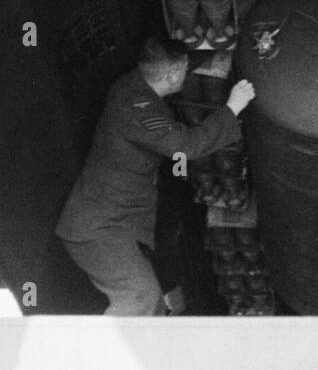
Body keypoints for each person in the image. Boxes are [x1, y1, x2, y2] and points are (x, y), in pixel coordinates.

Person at [57, 36, 255, 315]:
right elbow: (187, 146)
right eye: (184, 70)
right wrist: (233, 107)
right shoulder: (137, 111)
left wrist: (226, 48)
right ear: (172, 75)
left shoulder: (133, 85)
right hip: (98, 230)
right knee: (140, 296)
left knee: (155, 295)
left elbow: (171, 66)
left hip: (125, 220)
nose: (186, 74)